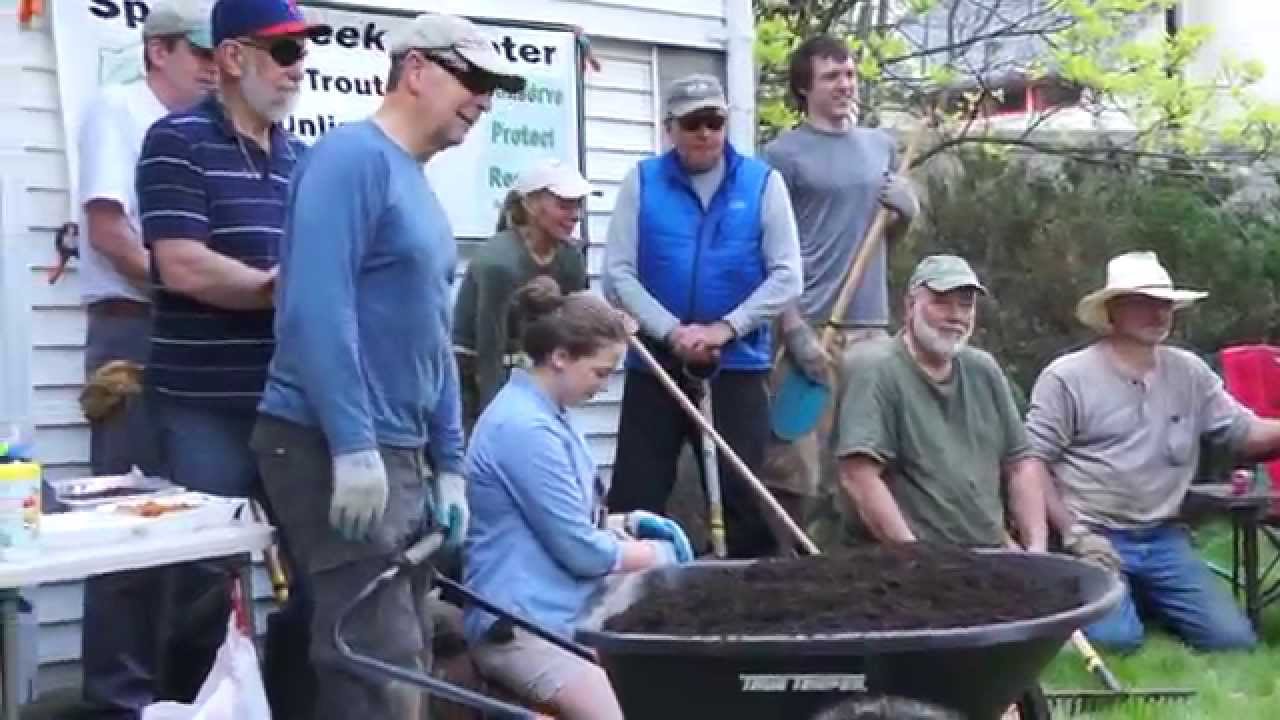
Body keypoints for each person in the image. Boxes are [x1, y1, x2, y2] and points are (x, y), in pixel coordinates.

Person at [251, 12, 526, 719]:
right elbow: (313, 308)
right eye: (475, 80)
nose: (485, 100)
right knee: (377, 661)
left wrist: (452, 464)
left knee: (401, 653)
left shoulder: (419, 188)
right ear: (416, 70)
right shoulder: (350, 160)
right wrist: (352, 443)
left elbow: (431, 339)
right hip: (325, 443)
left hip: (395, 452)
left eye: (492, 88)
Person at [135, 0, 322, 703]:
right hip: (203, 405)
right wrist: (282, 289)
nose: (297, 67)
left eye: (301, 52)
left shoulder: (303, 156)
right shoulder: (175, 139)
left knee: (315, 579)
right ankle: (188, 712)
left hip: (291, 404)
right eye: (283, 52)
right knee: (203, 584)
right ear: (234, 57)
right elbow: (180, 263)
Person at [1025, 251, 1280, 652]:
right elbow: (1031, 463)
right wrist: (1073, 533)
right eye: (1142, 302)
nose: (1158, 313)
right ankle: (1116, 595)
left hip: (1163, 538)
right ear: (1112, 311)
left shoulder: (1189, 372)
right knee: (1117, 641)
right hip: (1095, 535)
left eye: (1165, 303)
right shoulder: (1067, 377)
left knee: (1234, 641)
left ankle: (1144, 595)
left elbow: (1243, 433)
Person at [465, 279, 693, 720]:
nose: (604, 387)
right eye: (601, 373)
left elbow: (572, 519)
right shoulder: (525, 430)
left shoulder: (551, 417)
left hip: (563, 610)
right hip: (521, 626)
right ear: (560, 358)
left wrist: (626, 524)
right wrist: (652, 553)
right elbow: (578, 551)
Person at [75, 2, 213, 713]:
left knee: (195, 521)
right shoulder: (117, 108)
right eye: (199, 52)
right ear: (159, 50)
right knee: (128, 519)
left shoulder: (207, 131)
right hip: (135, 330)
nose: (214, 65)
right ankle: (122, 701)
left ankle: (184, 696)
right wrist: (186, 285)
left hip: (195, 337)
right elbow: (108, 230)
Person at [603, 73, 803, 559]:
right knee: (637, 494)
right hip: (656, 363)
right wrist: (670, 332)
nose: (705, 133)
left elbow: (786, 276)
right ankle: (630, 606)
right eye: (693, 123)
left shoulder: (762, 183)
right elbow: (618, 275)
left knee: (745, 497)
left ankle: (753, 614)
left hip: (735, 363)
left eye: (714, 121)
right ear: (670, 127)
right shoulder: (644, 181)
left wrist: (725, 328)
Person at [760, 34, 919, 540]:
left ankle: (866, 577)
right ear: (804, 87)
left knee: (870, 461)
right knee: (795, 465)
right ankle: (782, 570)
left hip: (870, 330)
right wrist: (792, 328)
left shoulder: (881, 147)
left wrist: (907, 211)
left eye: (850, 74)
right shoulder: (781, 156)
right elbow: (766, 251)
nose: (845, 84)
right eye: (832, 76)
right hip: (807, 328)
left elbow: (885, 234)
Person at [826, 255, 1046, 551]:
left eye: (965, 304)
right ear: (909, 306)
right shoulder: (875, 368)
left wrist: (1036, 552)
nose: (955, 315)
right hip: (902, 566)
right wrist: (917, 559)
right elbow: (859, 477)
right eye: (941, 302)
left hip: (989, 559)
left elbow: (1021, 464)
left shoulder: (983, 369)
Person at [453, 158, 591, 432]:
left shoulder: (570, 258)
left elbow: (578, 324)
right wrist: (495, 424)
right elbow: (488, 352)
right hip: (476, 380)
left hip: (533, 376)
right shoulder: (499, 262)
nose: (575, 215)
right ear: (529, 205)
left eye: (578, 205)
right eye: (564, 205)